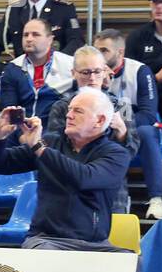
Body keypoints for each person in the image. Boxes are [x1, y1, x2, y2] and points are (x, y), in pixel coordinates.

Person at [0, 90, 131, 251]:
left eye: (78, 111)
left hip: (94, 244)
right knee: (46, 255)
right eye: (69, 109)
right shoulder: (51, 142)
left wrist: (39, 147)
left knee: (133, 262)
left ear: (99, 120)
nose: (69, 115)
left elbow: (84, 178)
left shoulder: (117, 154)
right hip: (47, 239)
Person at [43, 46, 138, 213]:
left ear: (106, 71)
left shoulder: (122, 105)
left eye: (97, 71)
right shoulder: (62, 106)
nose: (92, 78)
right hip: (69, 186)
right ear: (74, 73)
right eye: (85, 72)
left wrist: (123, 133)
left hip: (111, 191)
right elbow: (53, 148)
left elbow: (132, 151)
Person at [96, 28, 162, 218]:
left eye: (104, 50)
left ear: (120, 52)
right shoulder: (93, 73)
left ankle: (156, 199)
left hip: (134, 129)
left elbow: (149, 114)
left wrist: (123, 126)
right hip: (102, 130)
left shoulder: (140, 71)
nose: (99, 55)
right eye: (97, 50)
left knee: (145, 131)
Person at [0, 16, 75, 121]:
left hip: (58, 130)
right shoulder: (12, 68)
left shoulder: (70, 64)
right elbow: (9, 110)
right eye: (25, 35)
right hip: (22, 128)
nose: (29, 39)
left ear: (50, 40)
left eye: (35, 35)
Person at [125, 0, 162, 122]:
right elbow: (126, 77)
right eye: (155, 2)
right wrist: (155, 79)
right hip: (146, 97)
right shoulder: (137, 36)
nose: (159, 6)